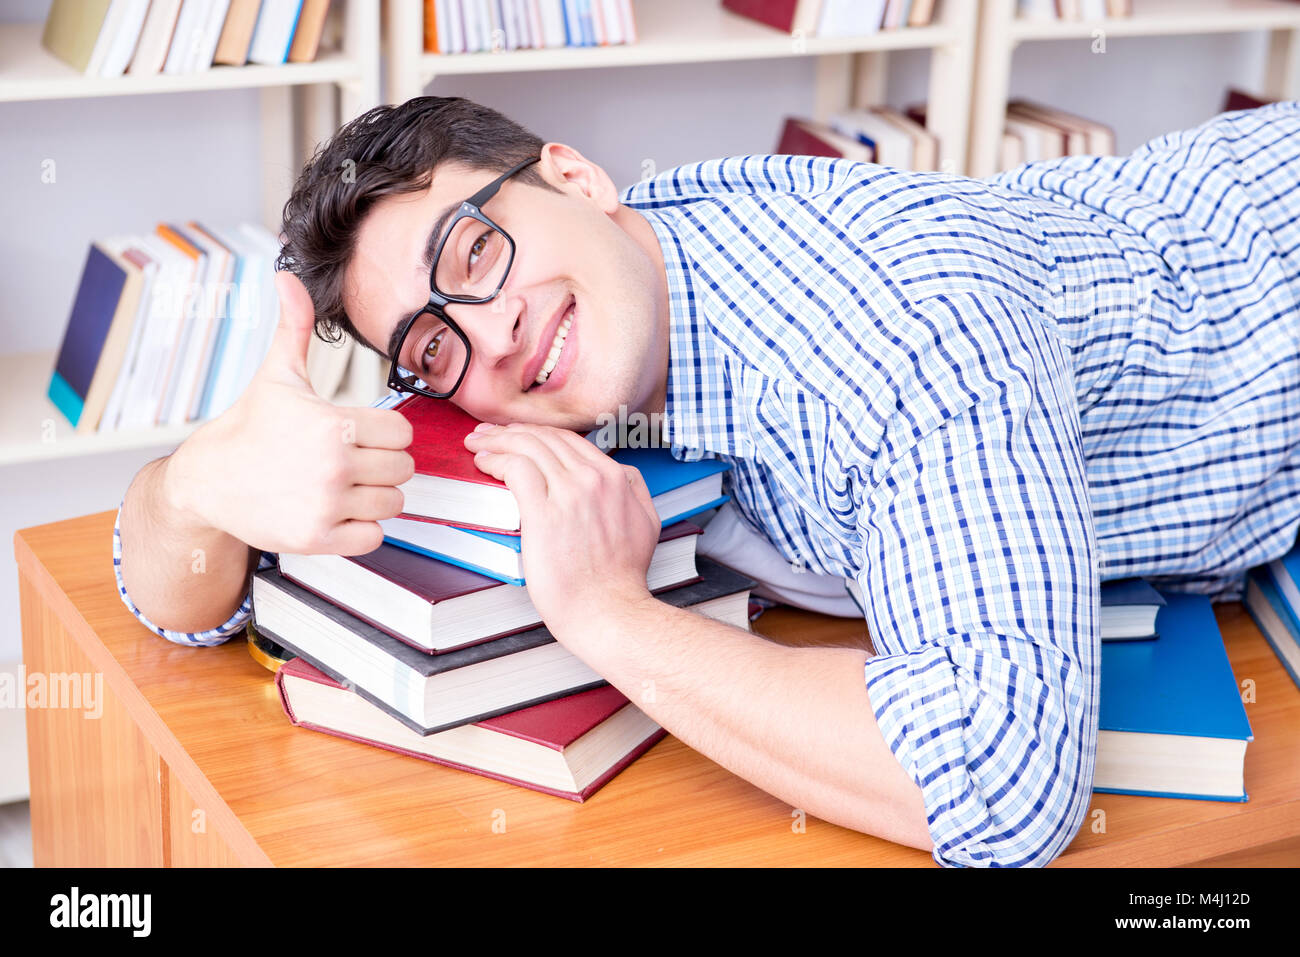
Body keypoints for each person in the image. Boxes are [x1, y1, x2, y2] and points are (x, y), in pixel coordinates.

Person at [116, 95, 1300, 867]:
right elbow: (191, 602)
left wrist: (609, 618)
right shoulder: (537, 342)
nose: (494, 334)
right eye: (431, 344)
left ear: (575, 177)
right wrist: (194, 488)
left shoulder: (906, 326)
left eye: (476, 250)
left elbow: (997, 786)